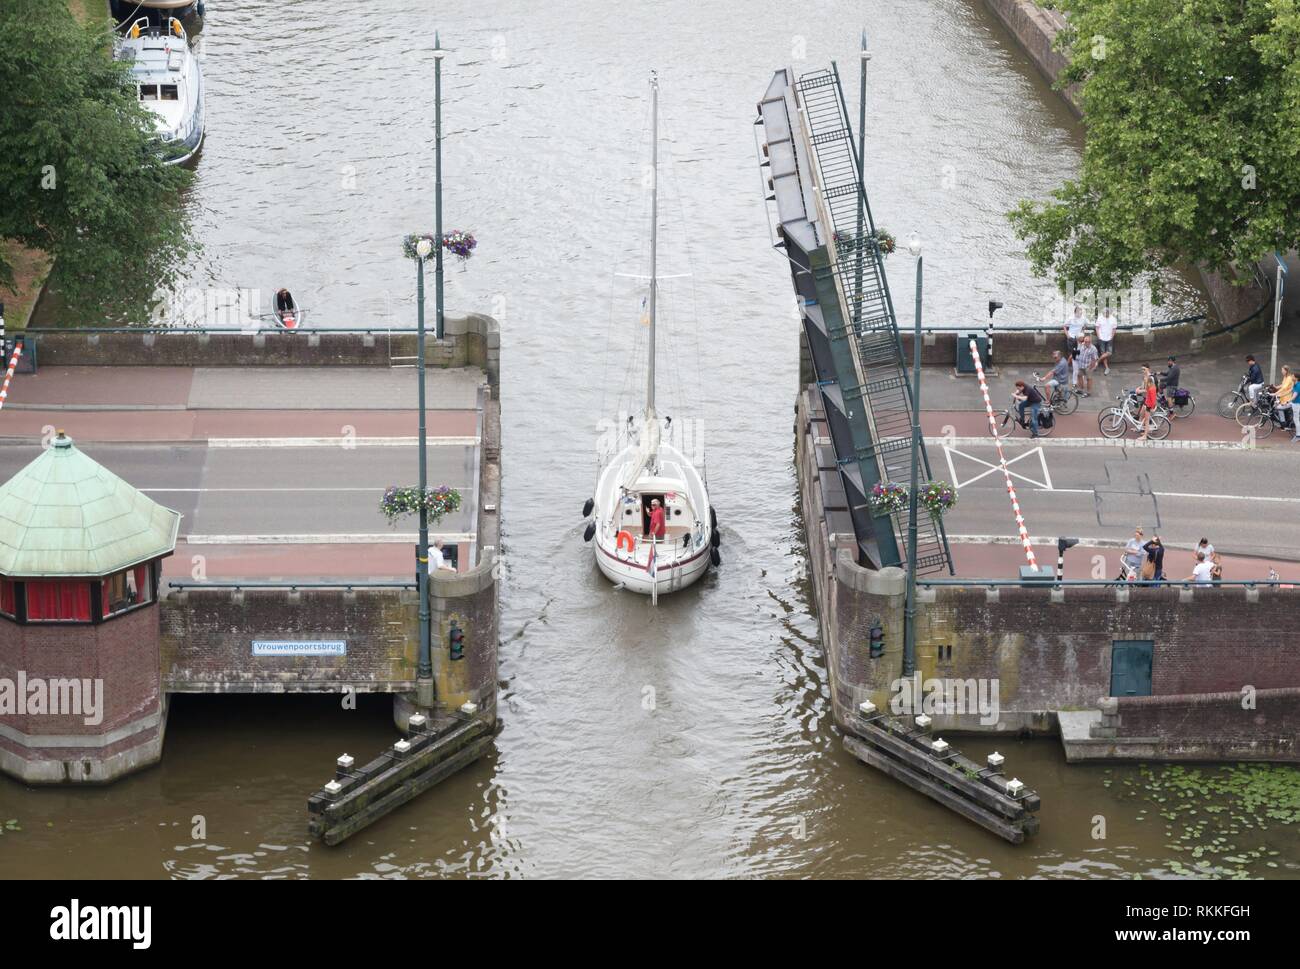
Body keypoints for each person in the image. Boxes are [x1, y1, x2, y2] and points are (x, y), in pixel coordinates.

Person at [1095, 306, 1117, 375]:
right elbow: (1097, 327)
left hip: (1109, 338)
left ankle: (1097, 362)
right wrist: (1099, 336)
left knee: (1109, 353)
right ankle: (1107, 368)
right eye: (1105, 313)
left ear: (1109, 313)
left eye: (1107, 313)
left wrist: (1112, 337)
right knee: (1103, 353)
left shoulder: (1113, 319)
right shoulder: (1100, 318)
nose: (1106, 314)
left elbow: (1114, 329)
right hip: (1102, 338)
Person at [1138, 368, 1158, 441]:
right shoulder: (1150, 387)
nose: (1145, 382)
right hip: (1147, 404)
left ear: (1149, 382)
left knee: (1146, 421)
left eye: (1146, 381)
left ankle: (1145, 436)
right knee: (1143, 417)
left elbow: (1153, 400)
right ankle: (1145, 432)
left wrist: (1153, 408)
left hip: (1149, 406)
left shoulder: (1151, 389)